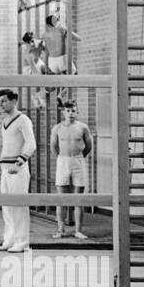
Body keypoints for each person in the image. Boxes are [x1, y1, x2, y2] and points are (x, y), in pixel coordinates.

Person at [0, 89, 36, 253]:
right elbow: (5, 146)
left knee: (18, 206)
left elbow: (31, 144)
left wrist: (18, 163)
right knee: (6, 207)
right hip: (5, 169)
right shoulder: (5, 120)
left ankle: (22, 242)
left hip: (18, 170)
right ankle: (9, 240)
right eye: (0, 101)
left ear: (14, 100)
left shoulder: (23, 119)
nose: (1, 104)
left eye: (4, 100)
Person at [50, 99, 92, 239]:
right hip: (62, 160)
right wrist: (63, 158)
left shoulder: (83, 127)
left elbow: (88, 146)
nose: (71, 113)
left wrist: (78, 157)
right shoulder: (57, 128)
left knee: (78, 198)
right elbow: (53, 147)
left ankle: (78, 230)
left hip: (78, 160)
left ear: (77, 112)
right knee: (62, 198)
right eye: (68, 111)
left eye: (73, 111)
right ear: (63, 112)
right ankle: (61, 229)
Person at [20, 31, 47, 110]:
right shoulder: (28, 53)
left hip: (38, 63)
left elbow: (48, 52)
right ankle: (36, 97)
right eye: (29, 43)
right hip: (29, 68)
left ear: (35, 39)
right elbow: (33, 68)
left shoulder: (39, 44)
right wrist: (40, 77)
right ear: (26, 44)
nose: (31, 44)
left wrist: (44, 44)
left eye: (32, 41)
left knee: (47, 72)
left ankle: (37, 96)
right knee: (41, 80)